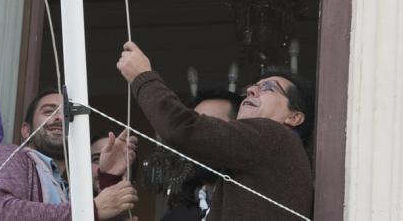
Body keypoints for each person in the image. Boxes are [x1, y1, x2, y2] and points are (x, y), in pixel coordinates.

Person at [117, 42, 314, 221]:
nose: (252, 91)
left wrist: (141, 77)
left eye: (268, 88)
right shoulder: (272, 156)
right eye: (252, 87)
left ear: (294, 117)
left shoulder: (276, 135)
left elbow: (184, 128)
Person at [0, 89, 139, 221]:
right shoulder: (9, 156)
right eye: (49, 111)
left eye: (66, 114)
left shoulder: (69, 189)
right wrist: (89, 212)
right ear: (26, 130)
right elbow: (1, 214)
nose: (59, 118)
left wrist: (109, 176)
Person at [161, 90, 241, 221]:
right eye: (194, 130)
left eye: (211, 127)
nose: (199, 138)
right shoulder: (175, 216)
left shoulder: (258, 204)